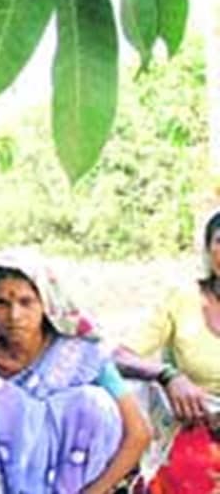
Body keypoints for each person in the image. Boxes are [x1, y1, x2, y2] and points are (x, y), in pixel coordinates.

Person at [0, 251, 150, 494]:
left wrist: (95, 491)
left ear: (47, 305)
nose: (14, 315)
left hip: (75, 487)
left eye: (26, 302)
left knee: (92, 402)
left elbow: (138, 433)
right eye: (1, 303)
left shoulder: (82, 355)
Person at [113, 209, 220, 493]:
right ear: (208, 250)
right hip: (197, 427)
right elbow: (118, 356)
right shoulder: (182, 299)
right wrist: (168, 375)